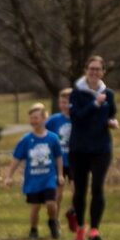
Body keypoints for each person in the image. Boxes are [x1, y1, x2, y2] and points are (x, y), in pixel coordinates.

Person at [67, 55, 118, 240]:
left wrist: (111, 122)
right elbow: (77, 117)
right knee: (80, 191)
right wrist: (94, 103)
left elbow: (111, 112)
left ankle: (95, 229)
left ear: (103, 72)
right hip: (79, 149)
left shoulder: (109, 94)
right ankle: (80, 227)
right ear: (85, 71)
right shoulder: (76, 93)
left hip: (101, 148)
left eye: (98, 69)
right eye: (91, 69)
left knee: (97, 187)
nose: (94, 72)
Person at [4, 104, 64, 239]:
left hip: (48, 177)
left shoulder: (53, 138)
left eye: (36, 118)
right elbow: (16, 158)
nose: (33, 121)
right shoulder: (26, 140)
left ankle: (53, 222)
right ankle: (33, 229)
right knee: (35, 207)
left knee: (51, 203)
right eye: (31, 118)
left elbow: (58, 157)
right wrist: (9, 176)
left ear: (44, 119)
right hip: (33, 180)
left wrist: (60, 174)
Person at [45, 88, 74, 231]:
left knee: (78, 192)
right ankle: (54, 221)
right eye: (62, 102)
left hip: (75, 161)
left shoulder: (78, 118)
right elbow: (43, 135)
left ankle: (72, 213)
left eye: (67, 102)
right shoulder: (54, 120)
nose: (65, 105)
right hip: (59, 163)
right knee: (58, 194)